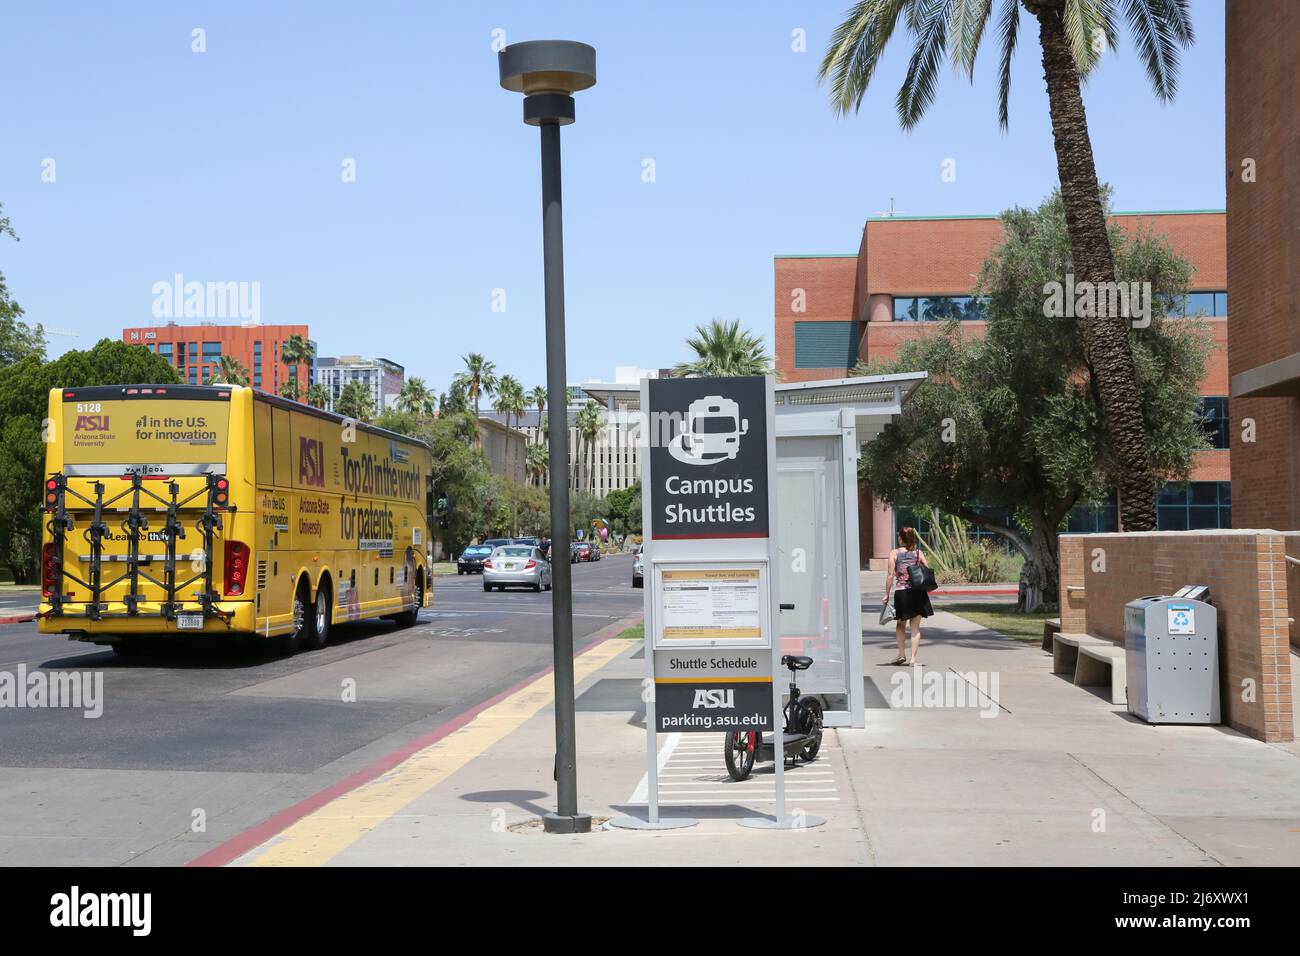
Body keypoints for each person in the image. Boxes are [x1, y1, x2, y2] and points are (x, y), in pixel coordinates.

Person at [883, 526, 933, 666]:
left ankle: (901, 654)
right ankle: (913, 659)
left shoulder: (894, 553)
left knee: (900, 624)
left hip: (902, 592)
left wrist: (886, 594)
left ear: (900, 538)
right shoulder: (918, 553)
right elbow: (927, 570)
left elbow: (890, 575)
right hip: (918, 592)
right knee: (915, 627)